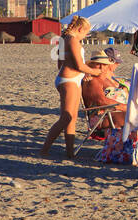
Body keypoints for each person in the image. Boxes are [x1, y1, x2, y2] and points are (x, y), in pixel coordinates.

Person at [41, 16, 106, 159]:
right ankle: (44, 149)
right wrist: (95, 72)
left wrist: (81, 75)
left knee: (72, 117)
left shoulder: (65, 39)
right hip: (69, 80)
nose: (84, 37)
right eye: (85, 33)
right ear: (80, 29)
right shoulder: (73, 40)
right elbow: (79, 65)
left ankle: (70, 152)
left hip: (68, 78)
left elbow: (60, 63)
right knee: (66, 117)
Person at [81, 49, 128, 134]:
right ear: (91, 66)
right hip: (102, 118)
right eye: (98, 64)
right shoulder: (92, 80)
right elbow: (101, 101)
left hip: (112, 114)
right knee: (137, 119)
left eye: (105, 65)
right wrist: (124, 107)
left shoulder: (105, 79)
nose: (102, 68)